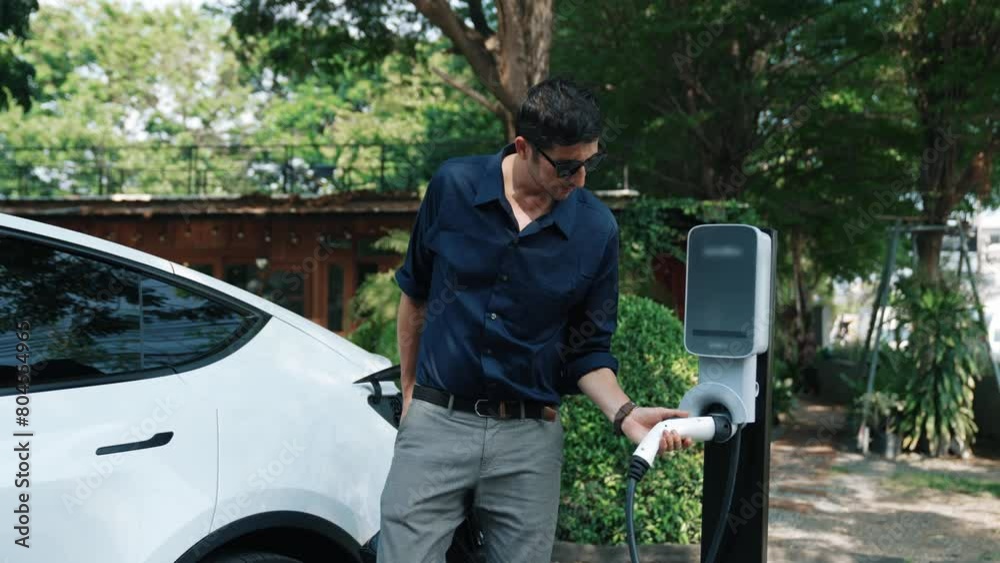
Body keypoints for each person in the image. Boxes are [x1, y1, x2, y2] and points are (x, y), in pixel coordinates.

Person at [377, 77, 694, 563]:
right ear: (524, 147)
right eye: (567, 166)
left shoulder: (596, 230)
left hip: (528, 443)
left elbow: (588, 351)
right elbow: (415, 295)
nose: (580, 179)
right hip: (437, 424)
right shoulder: (453, 186)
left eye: (590, 162)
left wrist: (626, 414)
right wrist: (411, 393)